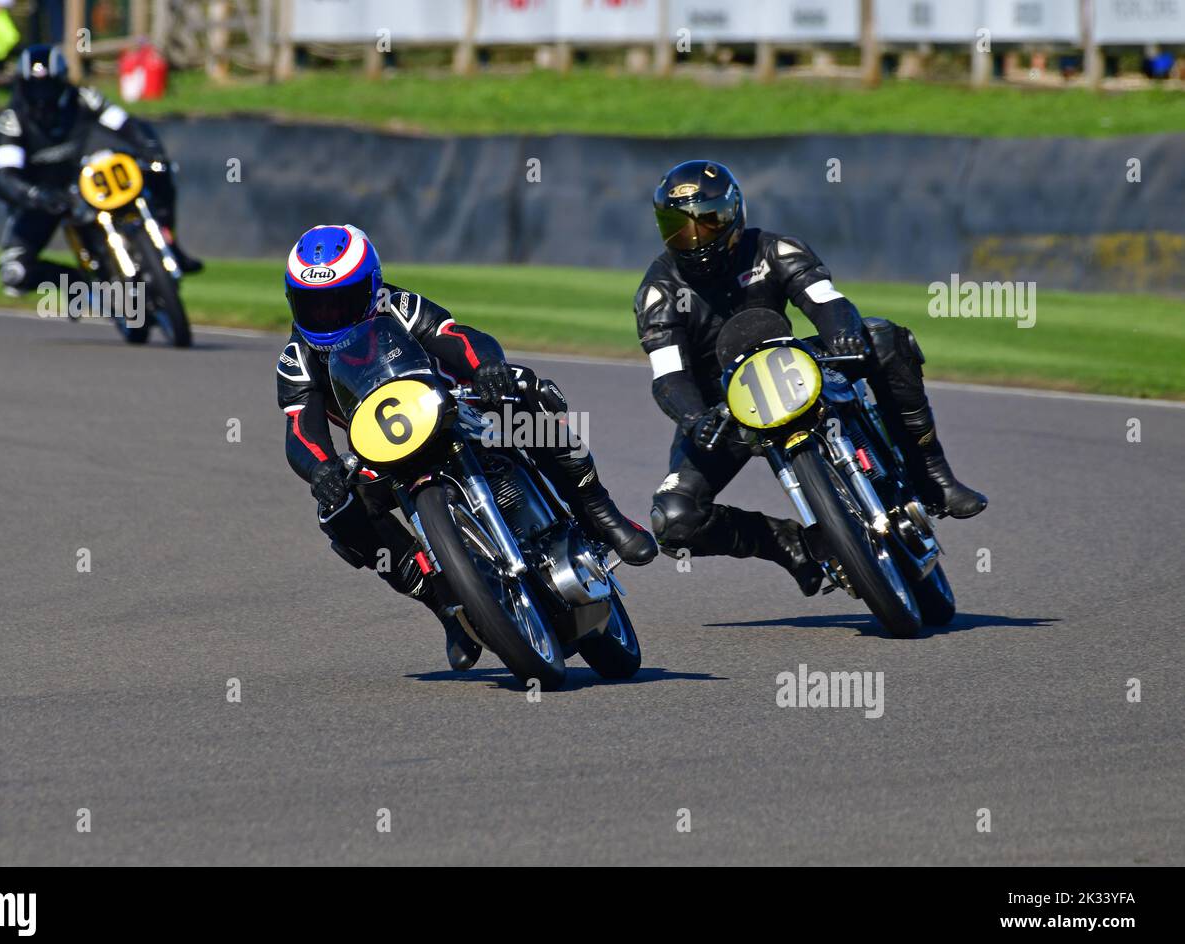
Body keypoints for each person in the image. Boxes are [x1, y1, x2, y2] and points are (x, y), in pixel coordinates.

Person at [277, 224, 656, 670]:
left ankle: (599, 511)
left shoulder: (397, 305)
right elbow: (301, 428)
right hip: (380, 447)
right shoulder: (296, 357)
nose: (328, 315)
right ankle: (445, 608)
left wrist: (490, 368)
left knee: (530, 394)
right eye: (314, 305)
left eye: (340, 300)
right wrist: (321, 470)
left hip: (447, 404)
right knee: (337, 513)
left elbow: (454, 337)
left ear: (371, 286)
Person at [637, 160, 987, 595]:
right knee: (674, 518)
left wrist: (841, 333)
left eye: (706, 223)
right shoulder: (659, 291)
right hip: (722, 410)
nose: (693, 238)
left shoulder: (775, 249)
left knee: (883, 336)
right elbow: (668, 374)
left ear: (731, 215)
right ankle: (790, 546)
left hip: (795, 367)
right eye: (678, 227)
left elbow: (825, 299)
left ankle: (934, 478)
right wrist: (694, 418)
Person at [0, 43, 200, 300]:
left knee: (159, 169)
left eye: (48, 86)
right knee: (14, 274)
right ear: (23, 86)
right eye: (34, 87)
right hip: (44, 198)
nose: (42, 96)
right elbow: (4, 176)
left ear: (61, 81)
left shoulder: (82, 98)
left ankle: (169, 243)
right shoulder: (12, 121)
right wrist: (35, 195)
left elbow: (125, 124)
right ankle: (77, 283)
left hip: (87, 180)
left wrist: (150, 149)